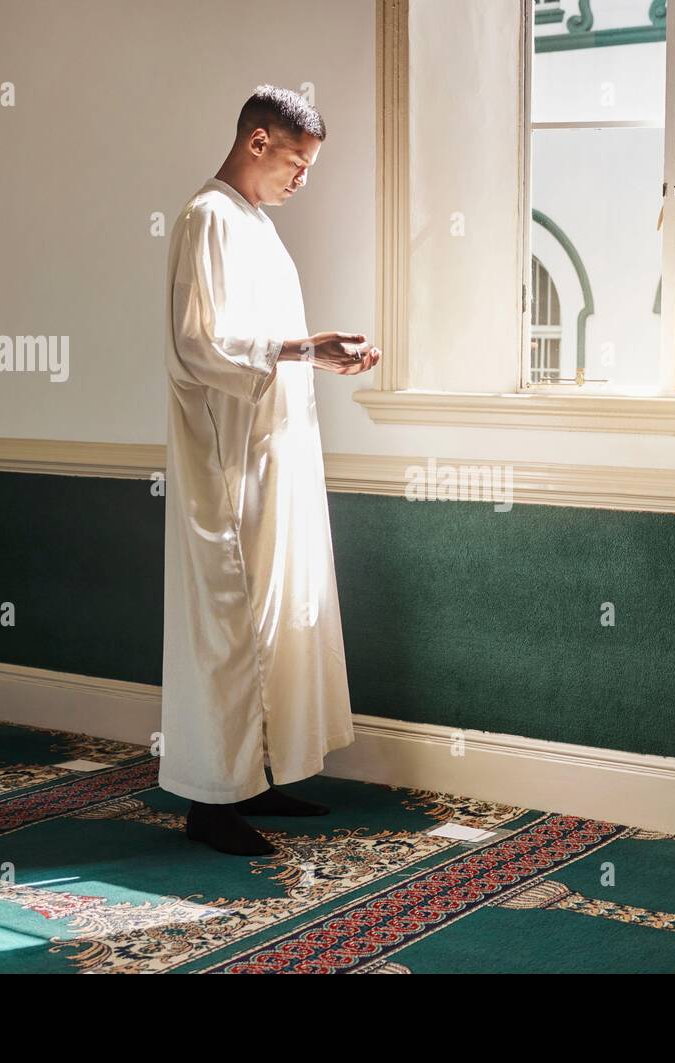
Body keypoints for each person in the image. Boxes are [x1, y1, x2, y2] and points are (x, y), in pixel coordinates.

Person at [159, 84, 380, 856]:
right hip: (230, 465)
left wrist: (325, 357)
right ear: (257, 141)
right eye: (298, 162)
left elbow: (274, 343)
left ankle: (260, 771)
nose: (302, 180)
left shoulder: (257, 226)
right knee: (233, 623)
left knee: (281, 617)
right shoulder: (207, 219)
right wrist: (301, 350)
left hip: (276, 452)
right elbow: (198, 346)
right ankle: (210, 799)